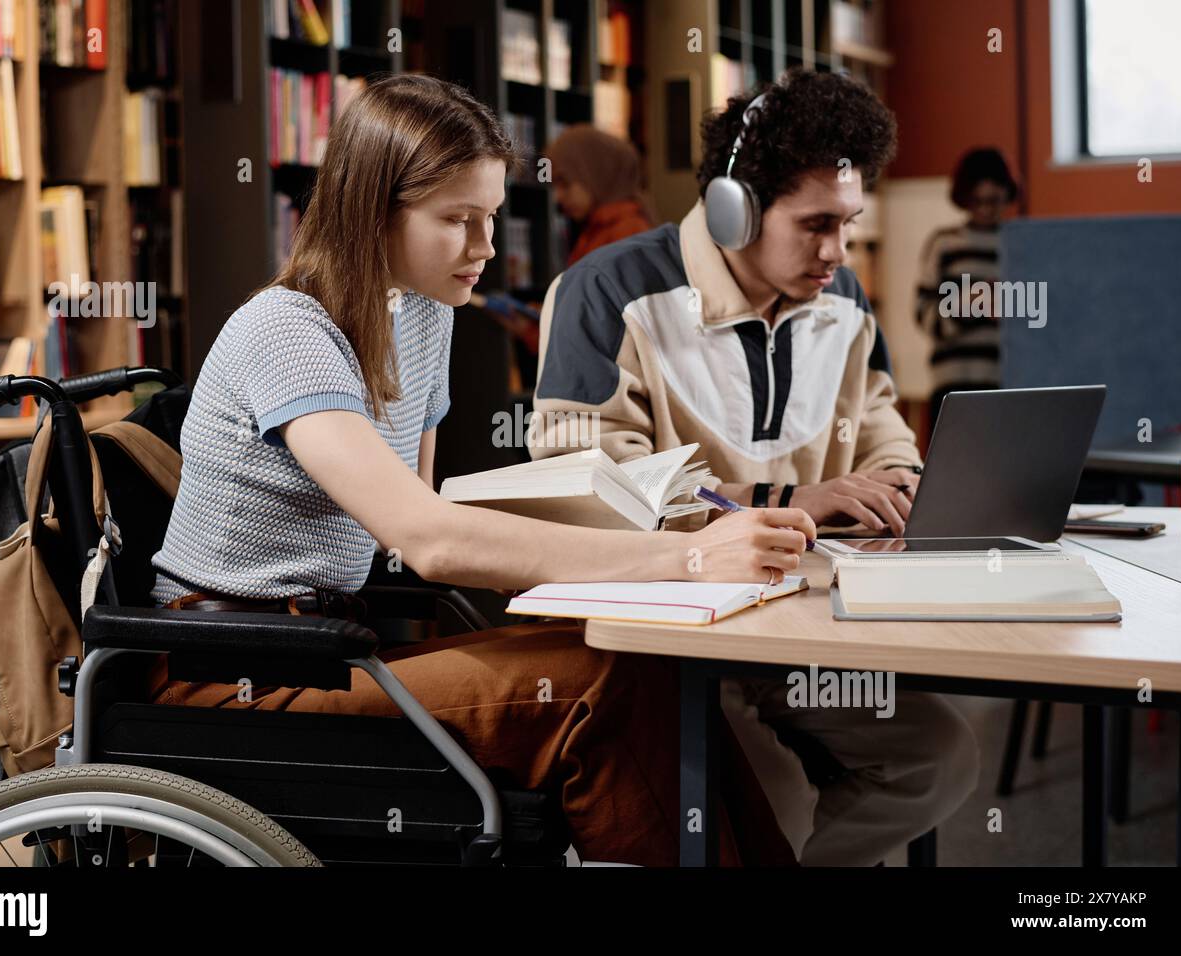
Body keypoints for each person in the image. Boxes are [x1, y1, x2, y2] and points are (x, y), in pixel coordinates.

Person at [146, 74, 818, 867]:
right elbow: (426, 537)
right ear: (373, 211)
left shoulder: (424, 316)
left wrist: (632, 538)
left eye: (491, 216)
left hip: (327, 649)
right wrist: (690, 560)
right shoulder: (285, 332)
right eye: (458, 220)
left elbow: (417, 517)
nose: (487, 248)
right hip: (232, 679)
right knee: (608, 688)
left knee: (649, 669)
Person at [529, 69, 980, 865]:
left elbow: (880, 425)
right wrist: (787, 498)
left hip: (810, 623)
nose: (837, 253)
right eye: (815, 225)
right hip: (668, 637)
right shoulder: (606, 292)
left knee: (937, 756)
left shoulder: (842, 302)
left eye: (848, 225)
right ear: (734, 210)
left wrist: (901, 486)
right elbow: (590, 485)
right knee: (760, 801)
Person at [916, 147, 1021, 430]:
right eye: (978, 201)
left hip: (1011, 386)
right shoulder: (945, 244)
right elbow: (925, 319)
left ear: (1007, 195)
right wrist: (973, 304)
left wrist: (1015, 308)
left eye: (995, 200)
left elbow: (1042, 321)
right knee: (953, 472)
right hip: (953, 388)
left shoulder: (1022, 244)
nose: (987, 209)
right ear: (964, 199)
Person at [544, 124, 657, 266]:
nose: (557, 197)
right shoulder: (598, 228)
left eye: (565, 183)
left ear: (596, 175)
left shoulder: (626, 232)